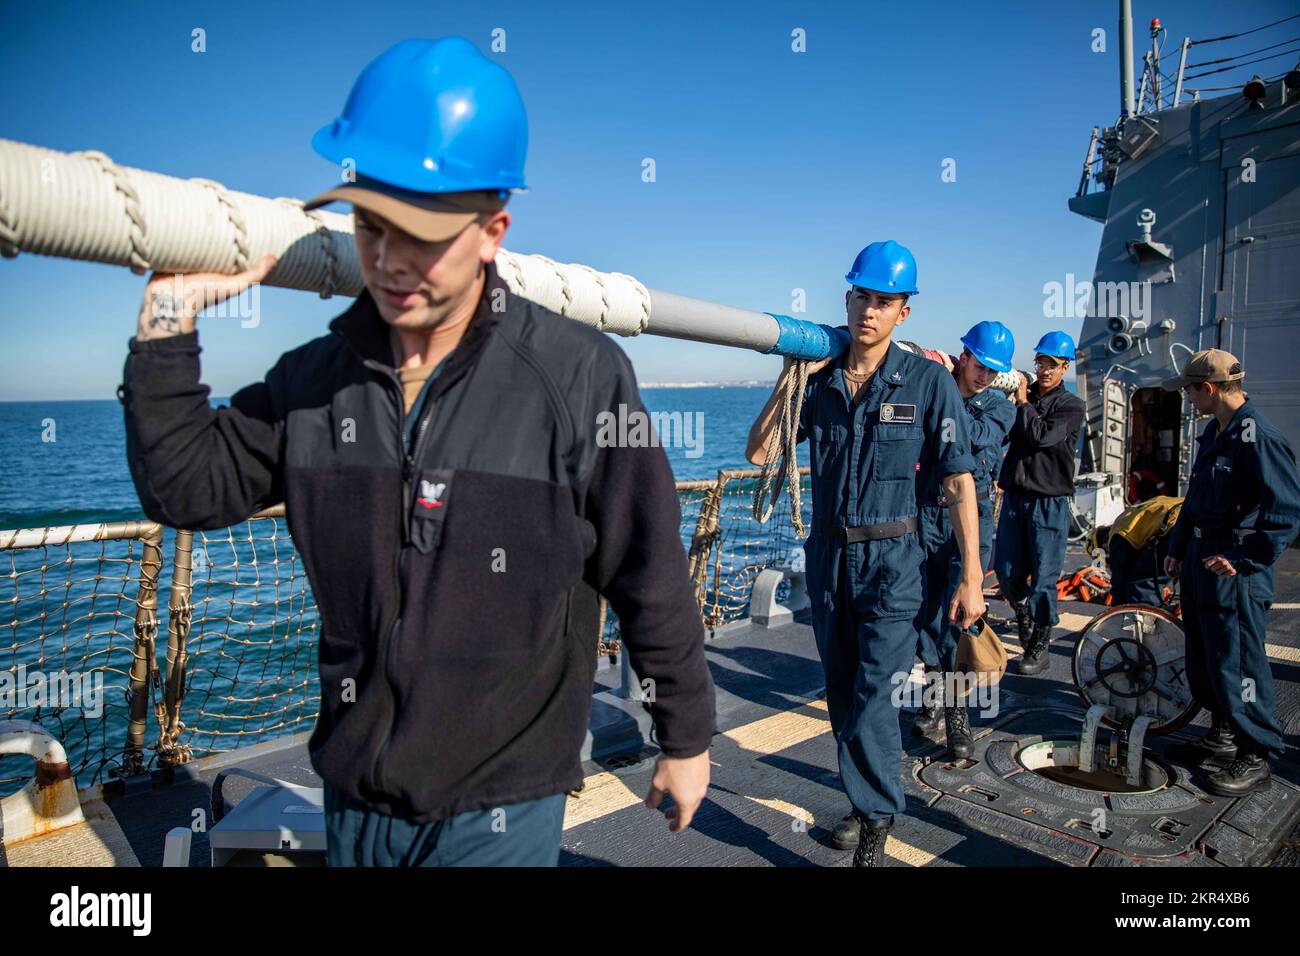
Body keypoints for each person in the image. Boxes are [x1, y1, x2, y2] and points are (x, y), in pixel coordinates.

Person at [118, 37, 712, 866]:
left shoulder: (579, 377)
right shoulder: (312, 382)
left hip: (504, 798)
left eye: (421, 233)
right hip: (357, 790)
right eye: (370, 225)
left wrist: (685, 735)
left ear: (492, 230)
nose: (390, 261)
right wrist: (165, 325)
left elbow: (648, 568)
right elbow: (186, 491)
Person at [745, 240, 985, 867]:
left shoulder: (930, 383)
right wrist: (790, 371)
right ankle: (862, 800)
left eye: (884, 301)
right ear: (846, 300)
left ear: (903, 312)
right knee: (843, 689)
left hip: (894, 561)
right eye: (860, 297)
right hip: (827, 559)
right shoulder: (819, 382)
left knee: (877, 692)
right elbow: (759, 452)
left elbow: (960, 481)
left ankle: (876, 822)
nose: (869, 311)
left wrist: (973, 579)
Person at [1160, 349, 1300, 795]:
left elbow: (1285, 514)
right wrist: (1178, 548)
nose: (1186, 397)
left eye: (1190, 389)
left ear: (1210, 388)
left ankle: (1255, 753)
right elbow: (1196, 497)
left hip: (1233, 568)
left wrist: (1242, 560)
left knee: (1238, 661)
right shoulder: (1214, 432)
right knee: (1206, 656)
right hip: (1202, 561)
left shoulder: (1259, 438)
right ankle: (1222, 735)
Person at [913, 322, 1016, 757]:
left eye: (993, 371)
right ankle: (936, 693)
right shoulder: (930, 389)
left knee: (959, 615)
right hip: (921, 516)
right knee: (920, 615)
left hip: (967, 523)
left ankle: (956, 712)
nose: (984, 377)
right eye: (979, 365)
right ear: (964, 356)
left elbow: (968, 438)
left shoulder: (999, 409)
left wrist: (937, 385)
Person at [994, 331, 1086, 675]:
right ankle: (1025, 618)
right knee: (1005, 571)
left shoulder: (1071, 407)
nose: (1044, 370)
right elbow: (1002, 432)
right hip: (1016, 498)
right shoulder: (1024, 399)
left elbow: (1040, 436)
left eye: (1051, 364)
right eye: (1040, 363)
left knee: (1045, 578)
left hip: (1049, 503)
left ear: (1064, 367)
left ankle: (1041, 640)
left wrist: (1022, 402)